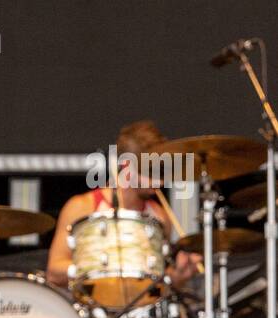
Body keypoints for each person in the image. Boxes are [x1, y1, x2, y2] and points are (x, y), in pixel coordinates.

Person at [46, 120, 202, 291]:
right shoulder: (82, 207)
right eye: (150, 171)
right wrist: (97, 268)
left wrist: (178, 276)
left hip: (140, 313)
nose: (159, 181)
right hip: (92, 311)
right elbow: (54, 272)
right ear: (127, 166)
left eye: (161, 170)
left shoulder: (160, 217)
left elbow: (157, 286)